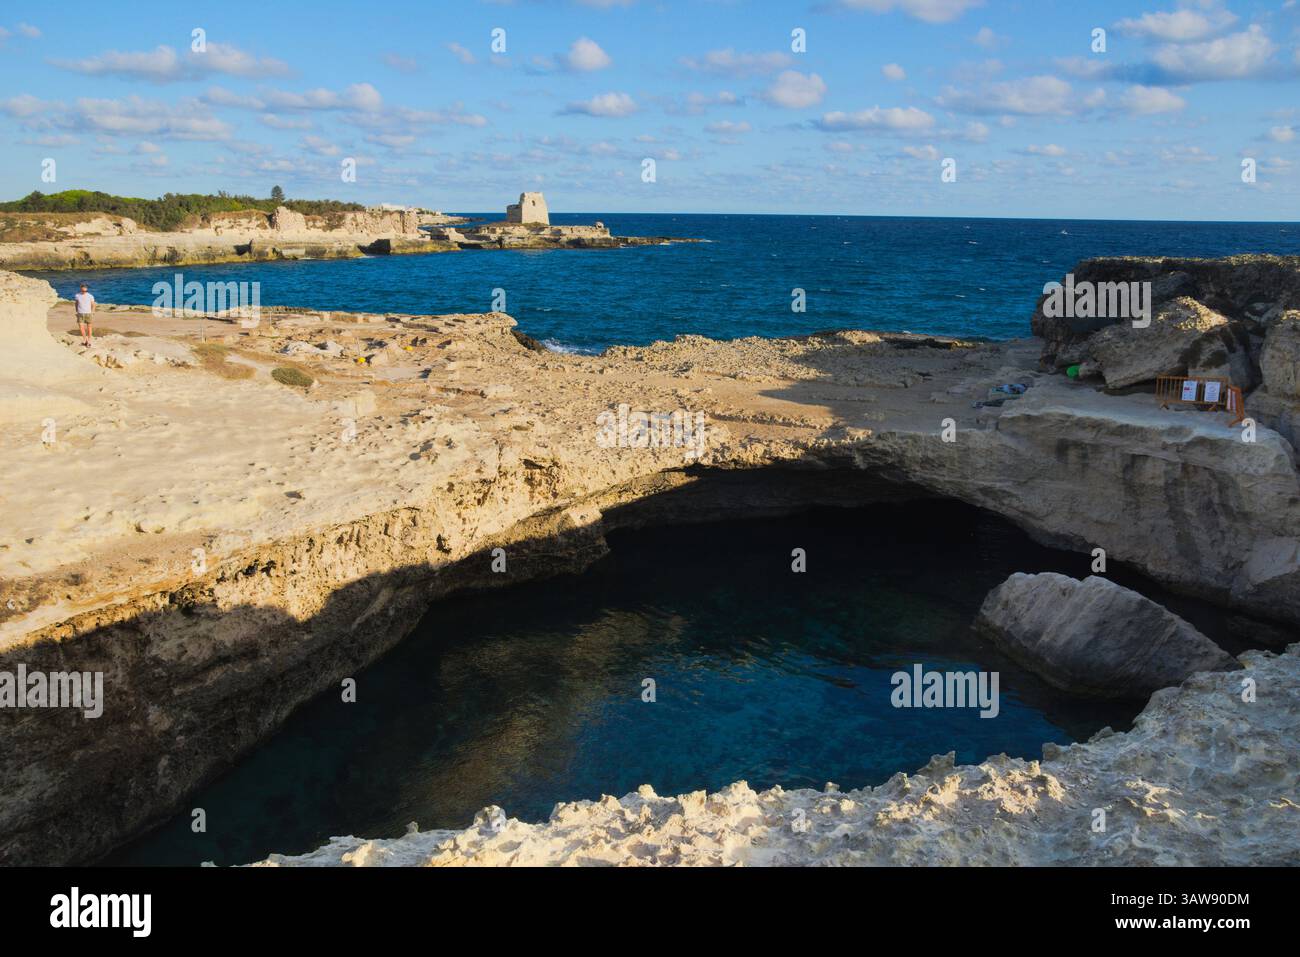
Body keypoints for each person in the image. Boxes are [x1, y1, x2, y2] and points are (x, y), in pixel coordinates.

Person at [74, 283, 95, 347]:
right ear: (81, 288)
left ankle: (89, 341)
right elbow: (76, 304)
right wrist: (77, 311)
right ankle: (85, 340)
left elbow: (93, 305)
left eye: (85, 288)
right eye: (83, 287)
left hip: (88, 313)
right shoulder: (77, 295)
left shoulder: (90, 296)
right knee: (81, 327)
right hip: (80, 313)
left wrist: (93, 312)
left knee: (89, 327)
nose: (84, 289)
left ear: (87, 288)